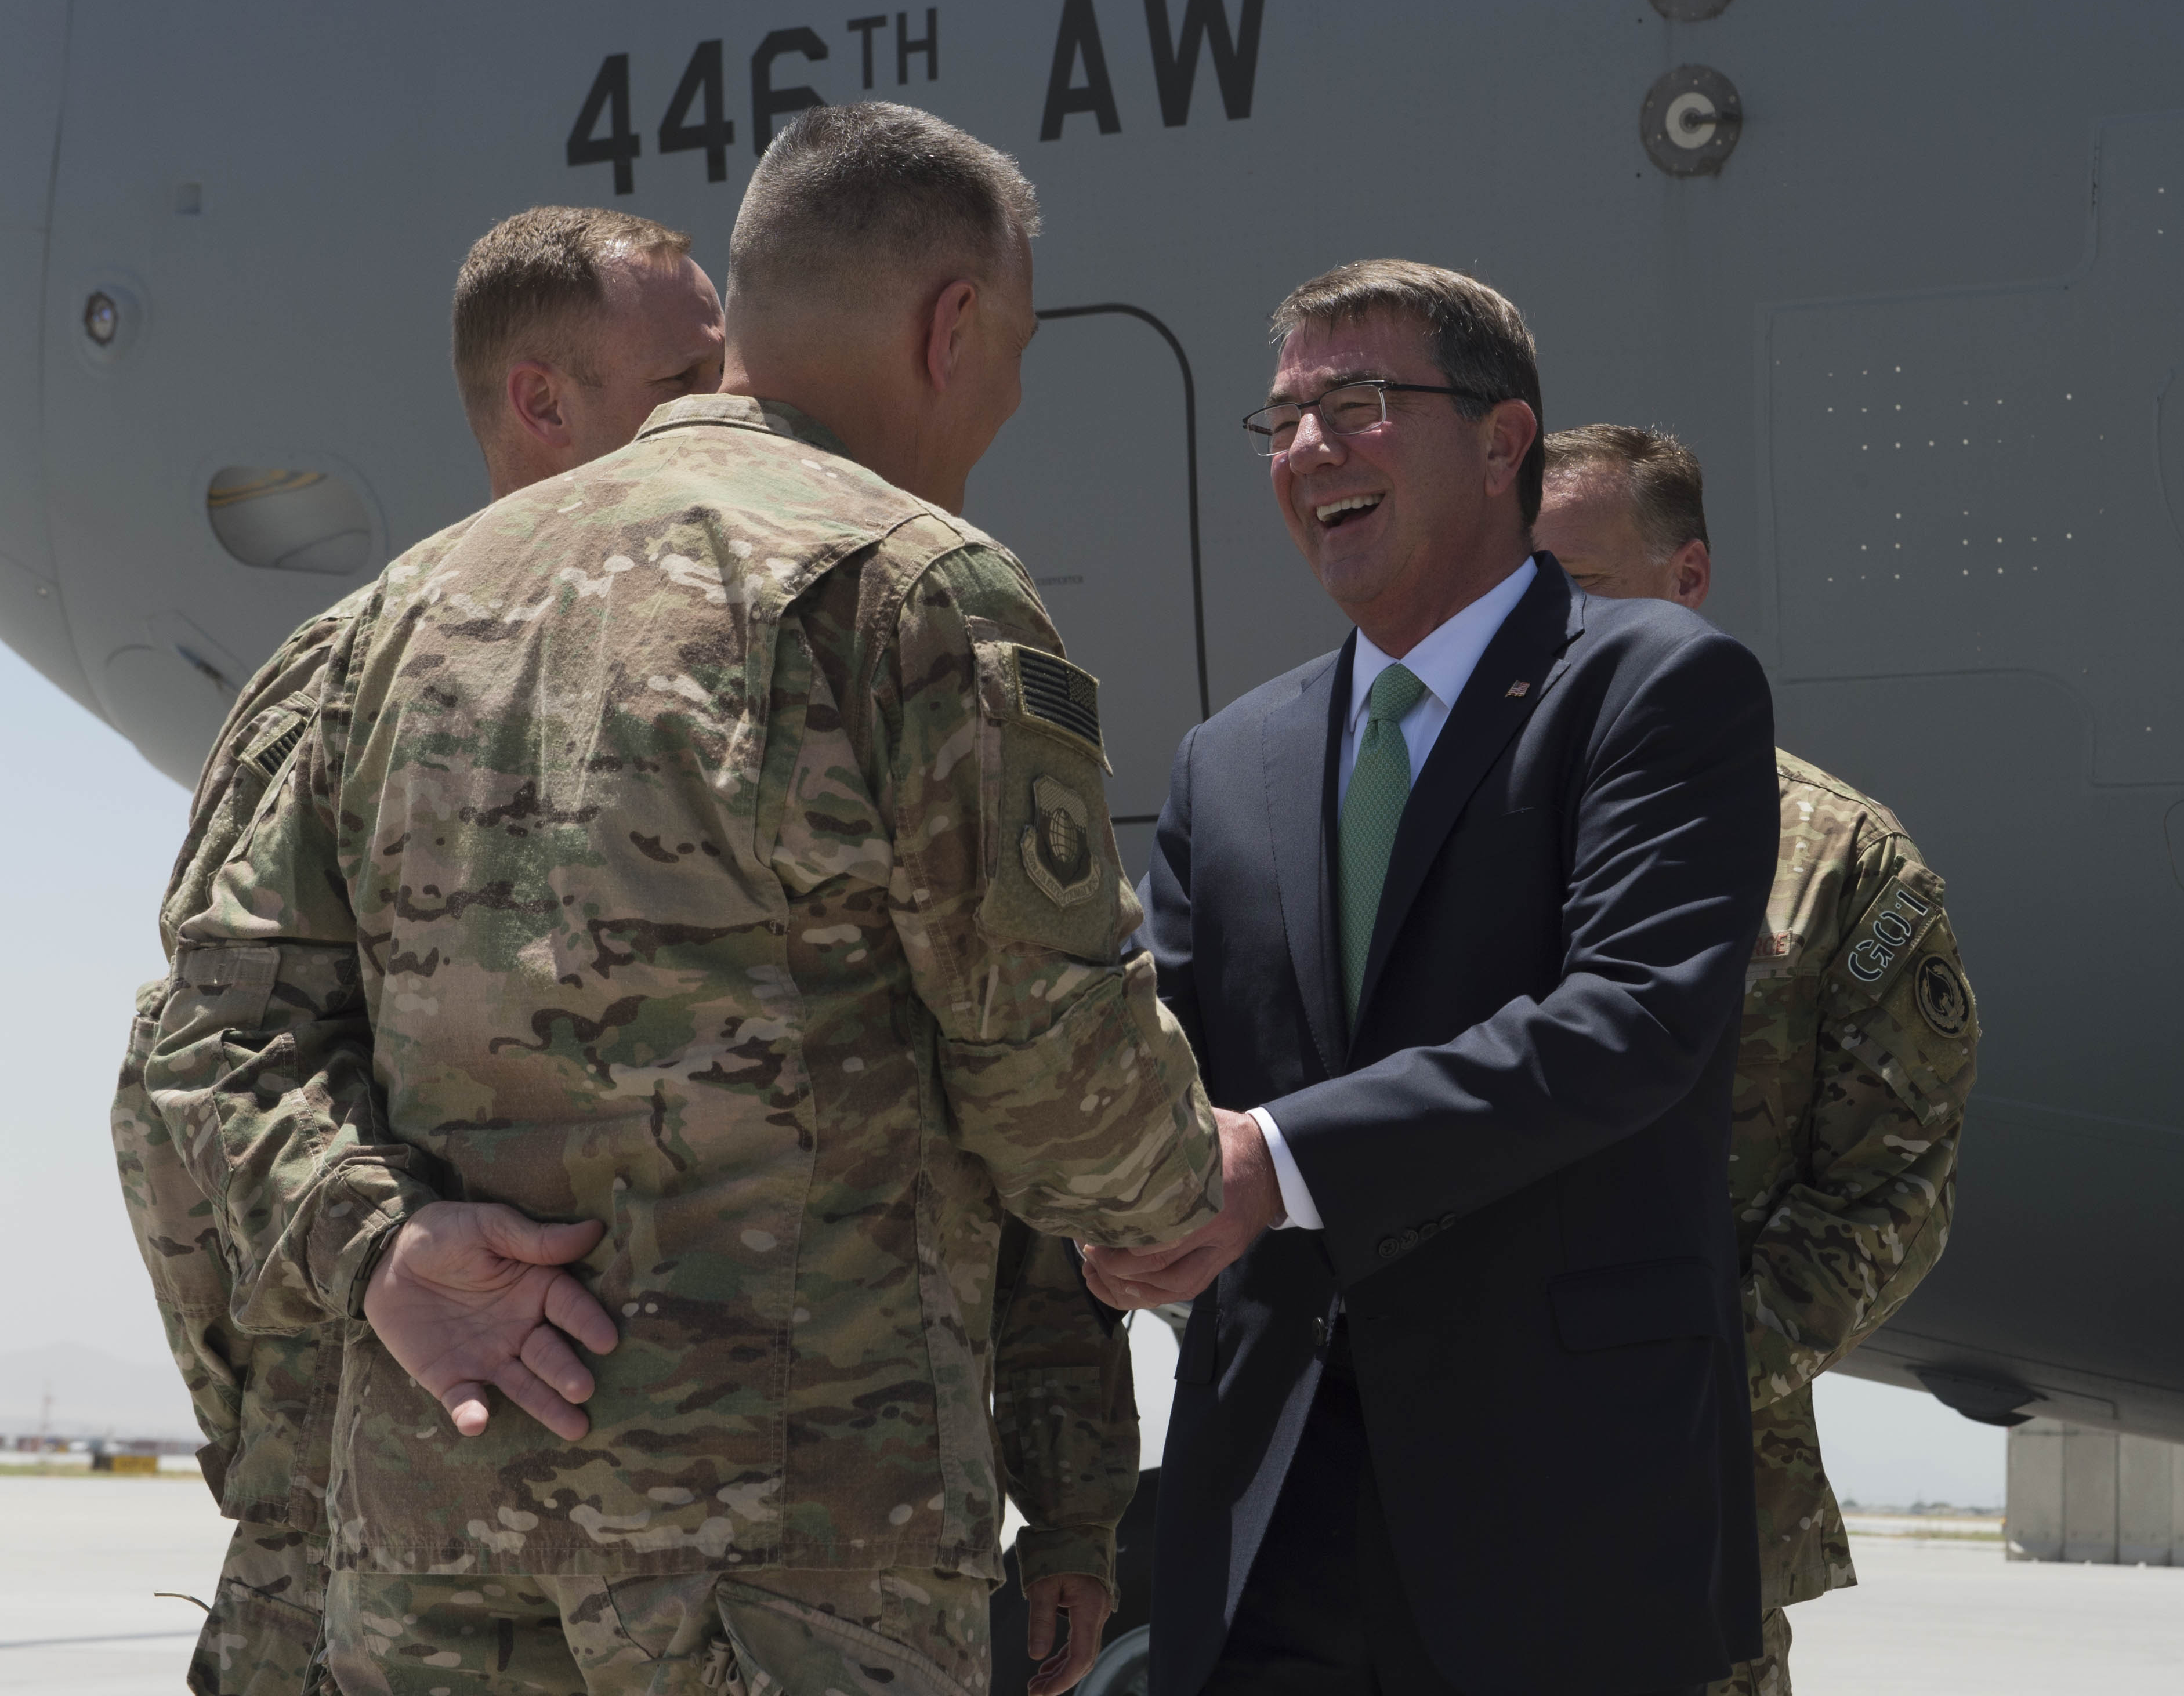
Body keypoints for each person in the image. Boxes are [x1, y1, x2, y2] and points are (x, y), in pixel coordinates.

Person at [142, 103, 1223, 1695]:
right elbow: (1052, 1071)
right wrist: (1183, 1189)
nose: (1007, 394)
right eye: (1016, 347)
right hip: (792, 1557)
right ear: (955, 327)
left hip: (435, 1546)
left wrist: (379, 1244)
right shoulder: (916, 587)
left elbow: (213, 1047)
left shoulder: (383, 624)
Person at [1083, 260, 1777, 1695]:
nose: (1307, 450)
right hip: (1268, 1515)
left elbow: (1631, 1020)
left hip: (1557, 1523)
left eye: (1358, 404)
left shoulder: (1653, 685)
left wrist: (1270, 1162)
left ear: (1503, 438)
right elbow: (1169, 1062)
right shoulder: (1233, 756)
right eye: (1281, 420)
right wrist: (1119, 1202)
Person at [111, 204, 724, 1696]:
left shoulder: (737, 651)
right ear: (542, 401)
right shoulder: (348, 674)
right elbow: (185, 1079)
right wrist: (363, 1268)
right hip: (372, 1538)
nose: (733, 417)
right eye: (686, 385)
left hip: (667, 1535)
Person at [1531, 425, 1979, 1696]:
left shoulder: (1839, 863)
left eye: (1584, 586)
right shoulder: (1447, 823)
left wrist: (1683, 1367)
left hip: (1687, 1503)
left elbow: (1891, 1187)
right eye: (1524, 589)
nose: (1547, 627)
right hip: (1439, 1489)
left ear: (1687, 581)